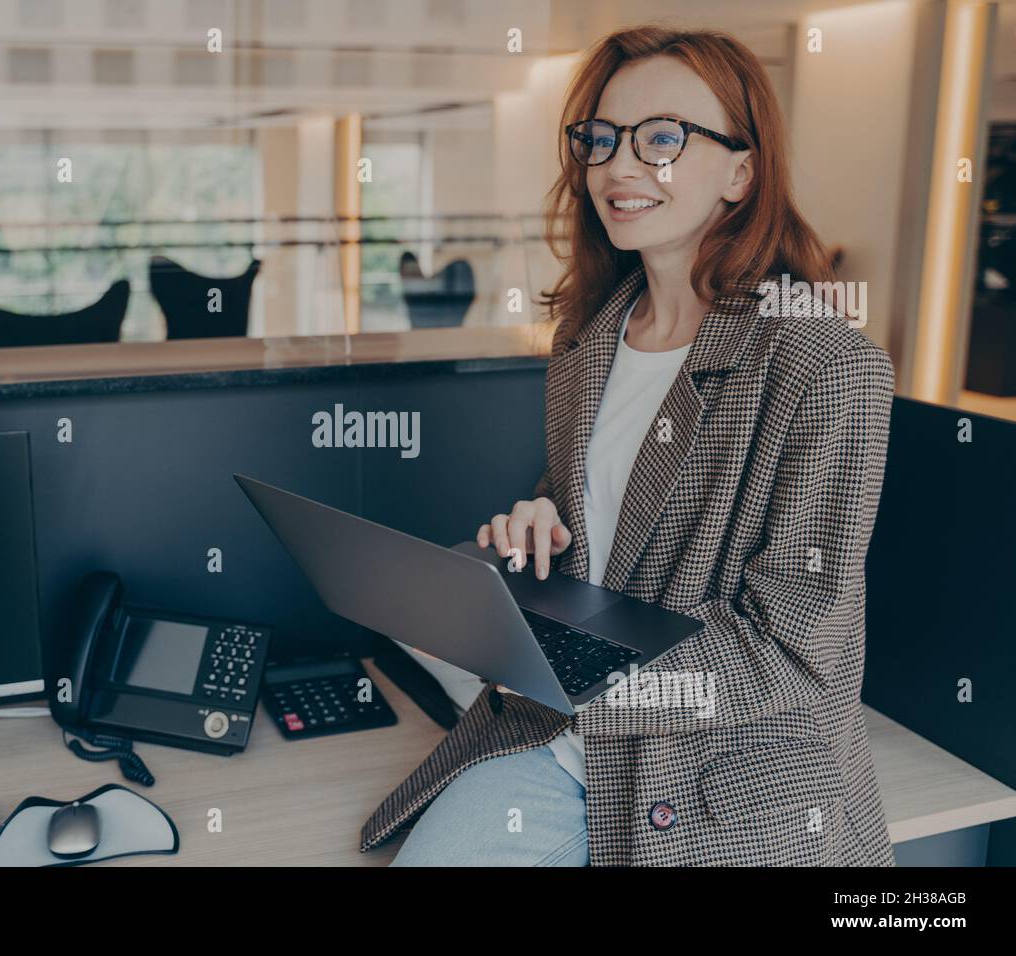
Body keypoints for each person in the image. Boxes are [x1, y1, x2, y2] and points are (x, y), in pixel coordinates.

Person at [366, 25, 896, 867]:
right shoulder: (588, 341)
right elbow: (606, 547)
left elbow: (791, 652)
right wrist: (536, 535)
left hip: (721, 777)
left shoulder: (824, 365)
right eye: (602, 140)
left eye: (662, 139)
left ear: (740, 170)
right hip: (561, 748)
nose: (619, 168)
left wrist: (568, 678)